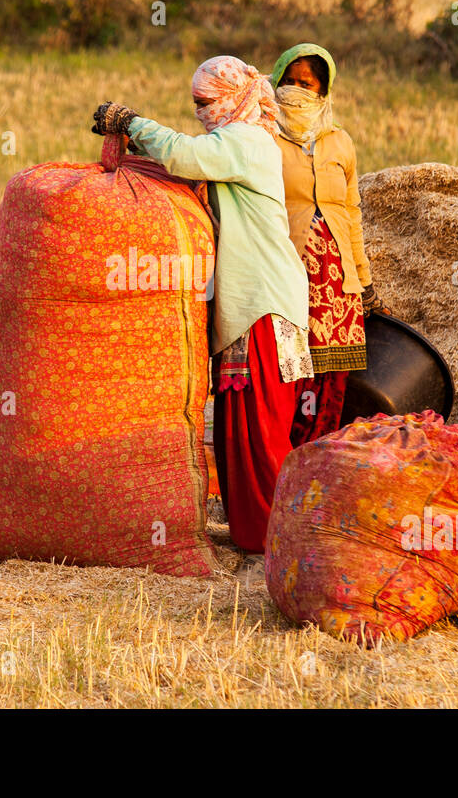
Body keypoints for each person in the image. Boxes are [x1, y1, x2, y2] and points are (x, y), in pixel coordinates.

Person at [93, 56, 310, 555]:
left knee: (261, 430)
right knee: (237, 428)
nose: (200, 114)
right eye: (194, 106)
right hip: (250, 302)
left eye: (205, 103)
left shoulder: (248, 142)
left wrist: (133, 124)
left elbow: (182, 156)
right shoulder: (236, 141)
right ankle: (256, 536)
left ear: (233, 97)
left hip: (263, 302)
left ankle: (278, 540)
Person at [269, 43, 386, 447]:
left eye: (307, 84)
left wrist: (365, 283)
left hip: (338, 287)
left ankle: (317, 461)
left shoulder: (340, 142)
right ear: (276, 81)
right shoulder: (264, 138)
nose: (296, 91)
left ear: (323, 92)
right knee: (290, 374)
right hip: (287, 277)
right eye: (290, 81)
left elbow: (351, 214)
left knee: (331, 386)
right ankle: (283, 461)